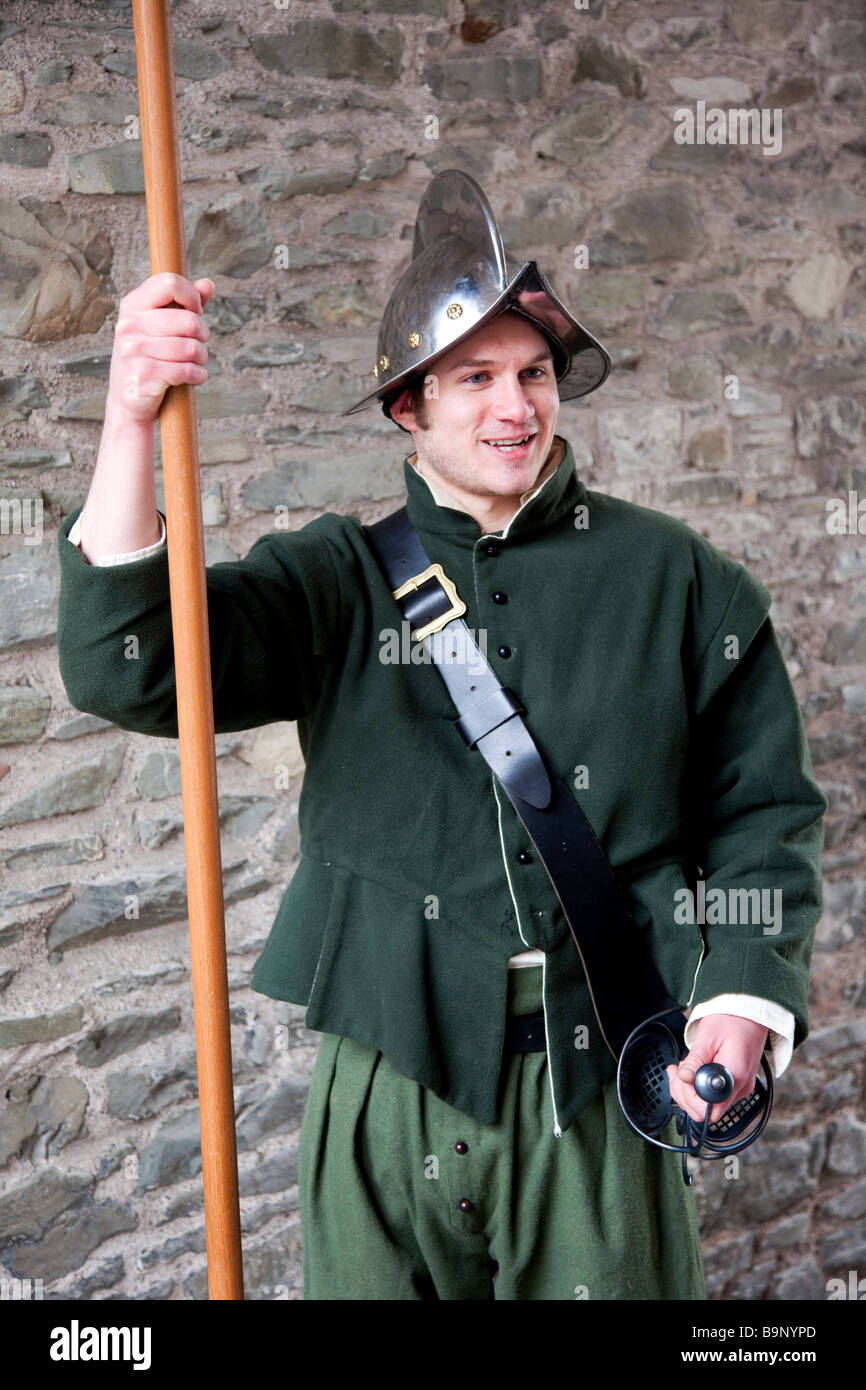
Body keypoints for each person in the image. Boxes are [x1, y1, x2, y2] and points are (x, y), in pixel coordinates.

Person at [56, 171, 826, 1301]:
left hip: (599, 1071)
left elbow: (765, 812)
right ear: (407, 407)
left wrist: (746, 999)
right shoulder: (330, 580)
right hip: (388, 1081)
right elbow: (126, 666)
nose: (513, 406)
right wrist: (128, 414)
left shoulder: (681, 582)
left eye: (529, 373)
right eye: (473, 378)